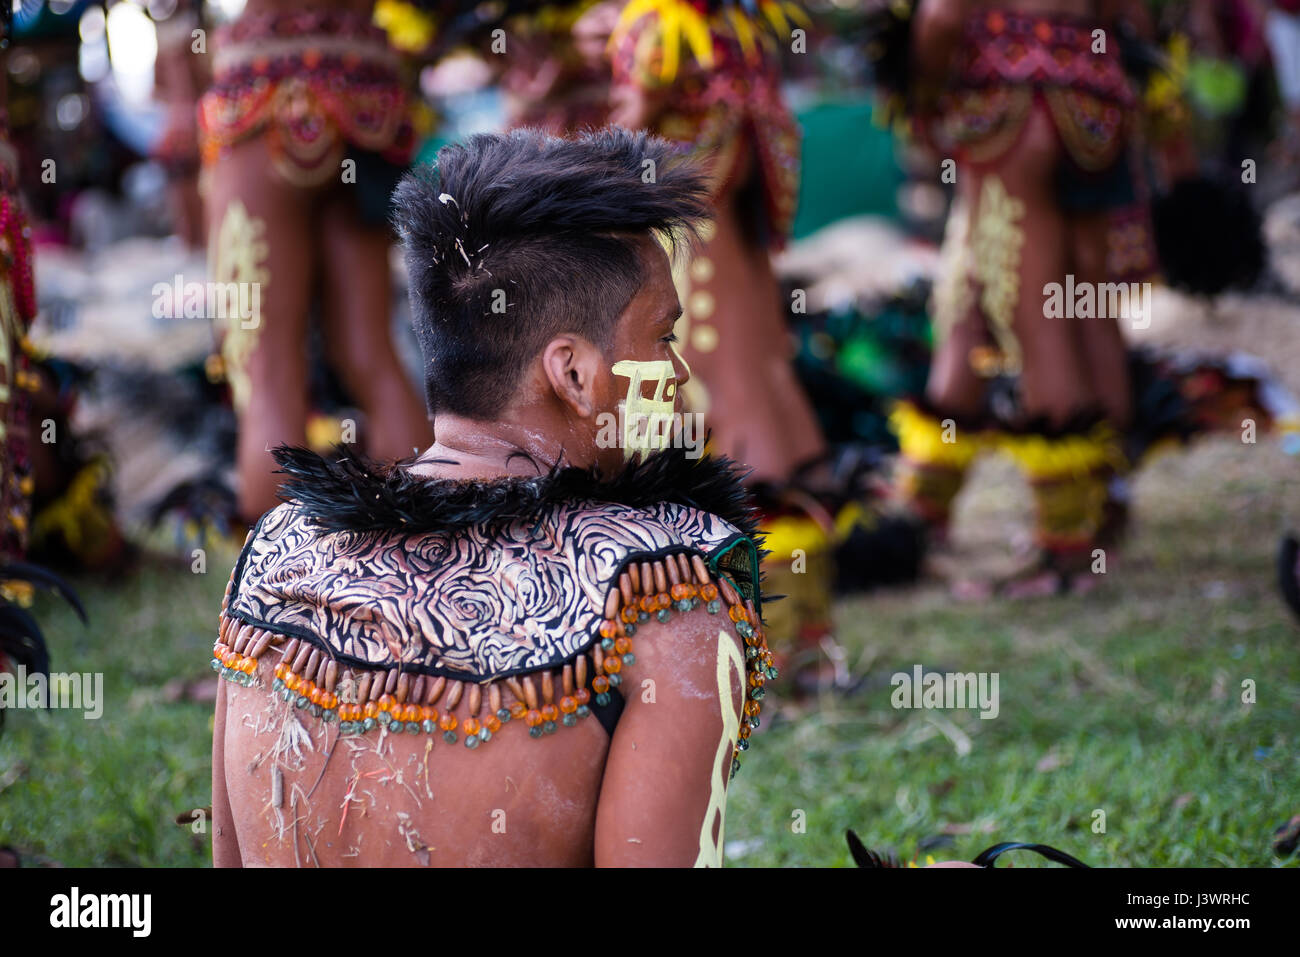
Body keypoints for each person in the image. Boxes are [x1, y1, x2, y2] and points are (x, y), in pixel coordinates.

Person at [210, 127, 776, 867]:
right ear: (572, 374)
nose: (676, 374)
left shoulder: (277, 550)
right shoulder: (667, 599)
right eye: (664, 338)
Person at [893, 0, 1158, 595]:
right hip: (1095, 105)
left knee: (1034, 314)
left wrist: (925, 102)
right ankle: (1101, 509)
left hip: (1014, 110)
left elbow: (941, 15)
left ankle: (1067, 546)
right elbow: (1133, 18)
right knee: (1076, 307)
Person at [198, 0, 432, 525]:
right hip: (367, 97)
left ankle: (279, 572)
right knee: (370, 352)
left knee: (266, 366)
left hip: (260, 95)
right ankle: (419, 541)